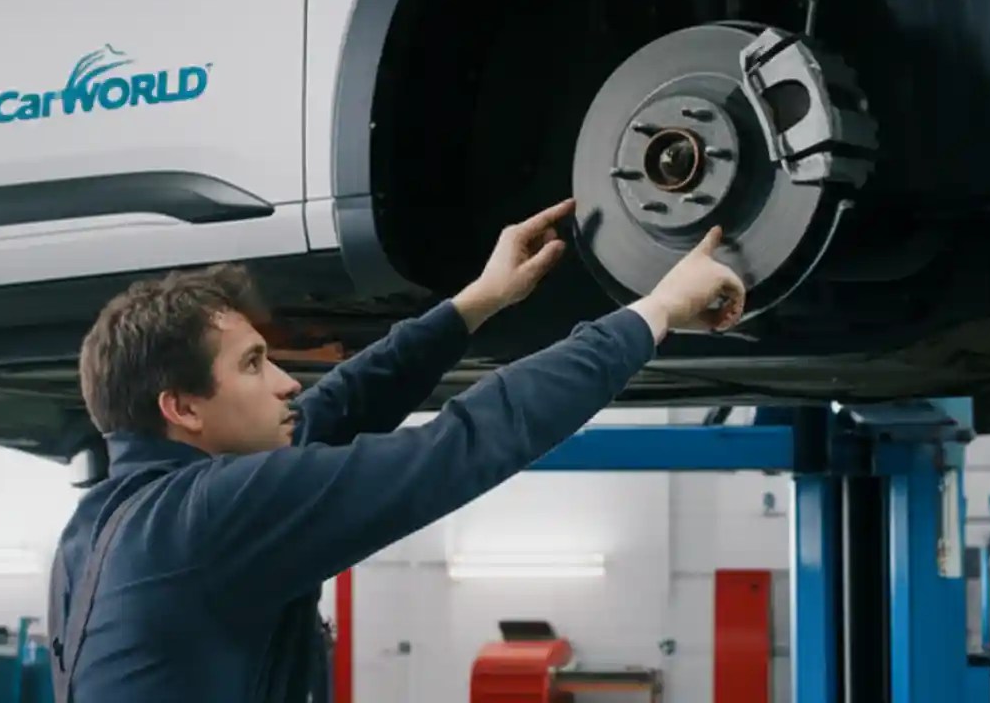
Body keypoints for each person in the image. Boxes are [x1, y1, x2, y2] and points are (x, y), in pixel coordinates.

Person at [48, 197, 746, 702]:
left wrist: (474, 304)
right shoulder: (212, 518)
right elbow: (463, 443)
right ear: (183, 408)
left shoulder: (107, 527)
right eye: (255, 364)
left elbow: (337, 407)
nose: (289, 383)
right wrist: (653, 314)